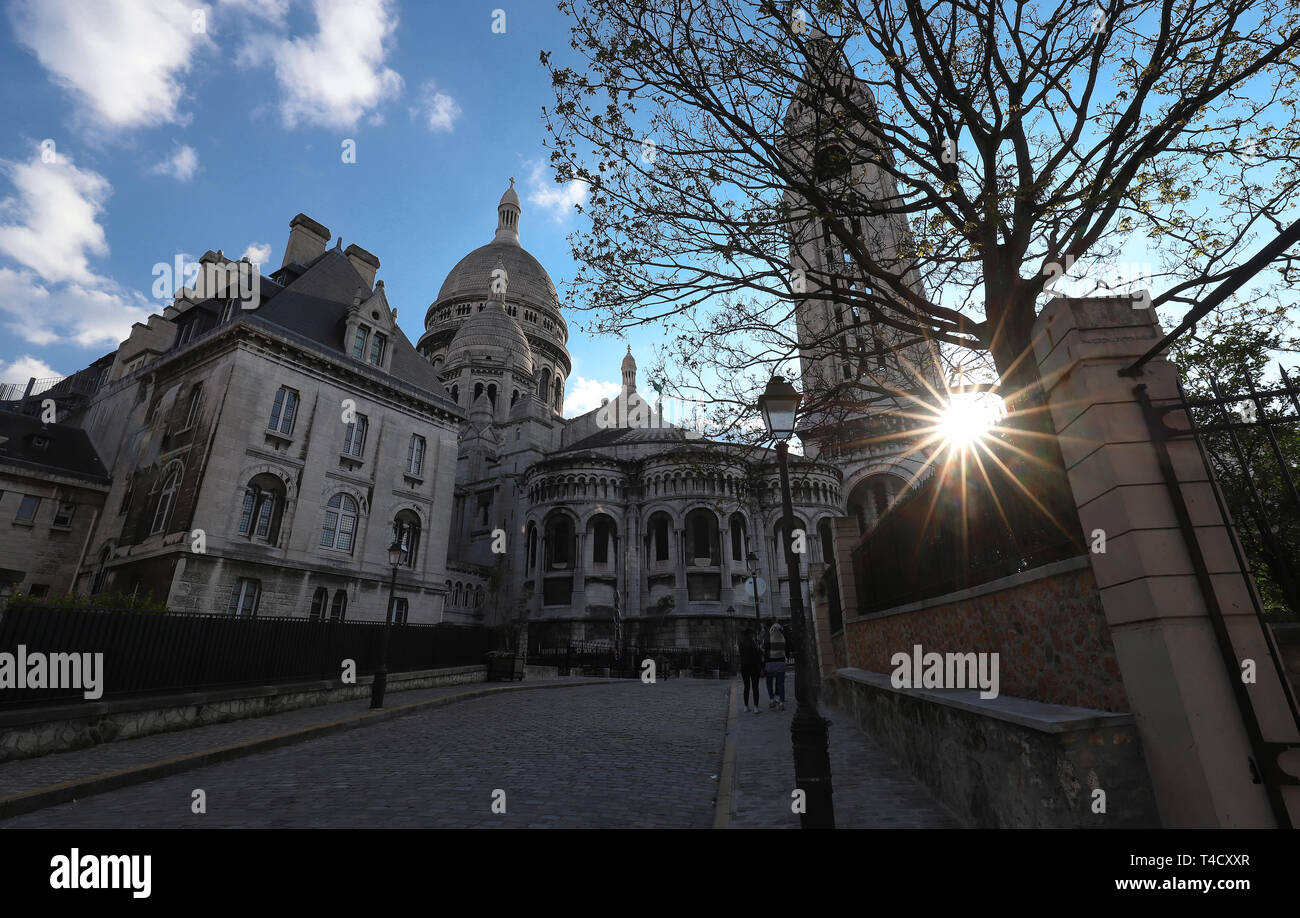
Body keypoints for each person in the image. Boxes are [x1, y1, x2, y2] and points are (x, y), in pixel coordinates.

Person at [763, 618, 787, 710]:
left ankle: (772, 700)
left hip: (770, 661)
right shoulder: (781, 632)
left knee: (769, 682)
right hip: (781, 660)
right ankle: (781, 703)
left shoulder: (768, 634)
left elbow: (765, 647)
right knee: (781, 683)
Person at [738, 627, 763, 714]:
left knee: (746, 687)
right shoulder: (753, 644)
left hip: (744, 667)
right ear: (750, 634)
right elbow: (756, 656)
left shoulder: (741, 644)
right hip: (753, 667)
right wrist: (761, 666)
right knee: (755, 687)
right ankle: (756, 707)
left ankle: (746, 706)